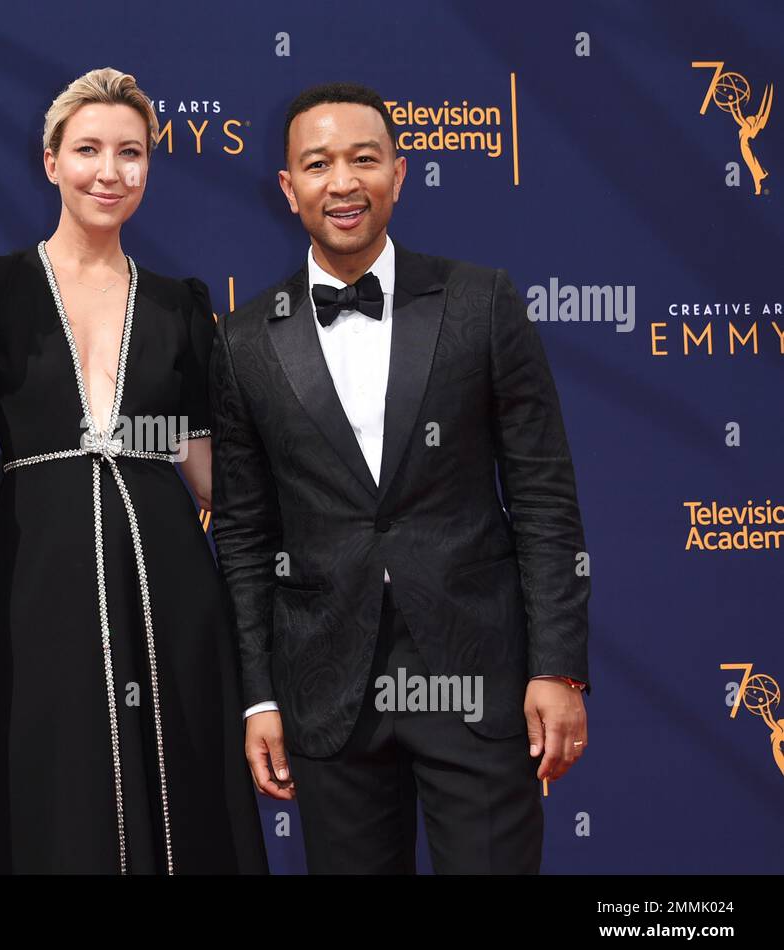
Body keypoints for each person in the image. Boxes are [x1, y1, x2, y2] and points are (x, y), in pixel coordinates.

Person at [210, 82, 591, 874]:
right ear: (288, 188)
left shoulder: (480, 302)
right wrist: (259, 696)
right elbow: (245, 533)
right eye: (317, 164)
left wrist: (556, 667)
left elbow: (544, 496)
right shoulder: (246, 340)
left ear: (400, 172)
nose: (341, 182)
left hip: (477, 675)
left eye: (363, 159)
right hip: (327, 685)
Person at [0, 67, 267, 874]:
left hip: (171, 584)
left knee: (182, 779)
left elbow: (207, 477)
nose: (110, 170)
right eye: (88, 148)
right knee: (56, 783)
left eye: (131, 153)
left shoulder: (180, 305)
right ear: (51, 160)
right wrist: (26, 486)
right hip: (42, 584)